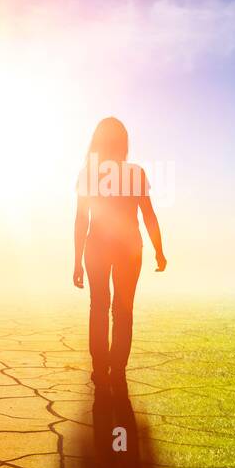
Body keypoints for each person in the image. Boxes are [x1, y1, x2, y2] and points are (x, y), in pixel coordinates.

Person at [73, 117, 166, 391]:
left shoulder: (88, 174)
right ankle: (118, 371)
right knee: (123, 311)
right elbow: (148, 215)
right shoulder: (135, 173)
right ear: (124, 143)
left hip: (97, 246)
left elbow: (81, 220)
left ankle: (101, 370)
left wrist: (76, 260)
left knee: (98, 307)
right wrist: (159, 250)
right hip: (129, 248)